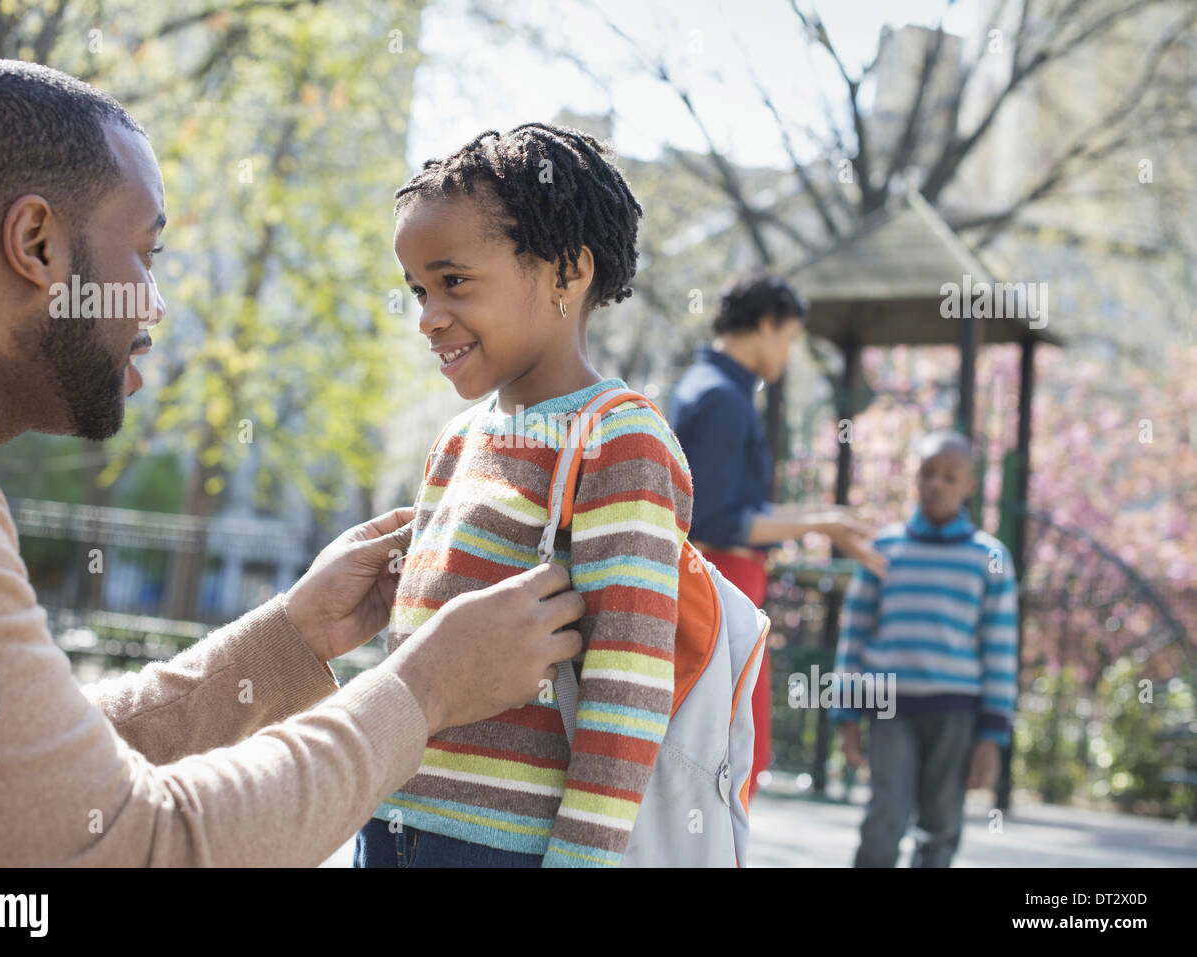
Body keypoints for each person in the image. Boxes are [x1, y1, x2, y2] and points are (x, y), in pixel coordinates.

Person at [0, 60, 584, 867]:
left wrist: (288, 640)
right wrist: (422, 690)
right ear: (36, 243)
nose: (153, 302)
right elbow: (122, 844)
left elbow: (32, 778)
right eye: (145, 254)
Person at [353, 124, 693, 868]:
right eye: (417, 289)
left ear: (567, 273)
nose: (427, 316)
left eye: (453, 282)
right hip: (390, 823)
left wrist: (580, 859)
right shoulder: (457, 438)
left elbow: (628, 684)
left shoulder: (618, 440)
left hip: (503, 850)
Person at [666, 271, 887, 799]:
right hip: (720, 585)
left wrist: (826, 516)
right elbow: (714, 521)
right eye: (788, 338)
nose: (788, 353)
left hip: (726, 584)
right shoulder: (722, 396)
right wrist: (821, 521)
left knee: (731, 753)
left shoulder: (713, 387)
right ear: (766, 325)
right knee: (737, 756)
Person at [832, 429, 1019, 867]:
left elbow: (1000, 649)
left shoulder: (989, 558)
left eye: (950, 477)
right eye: (928, 474)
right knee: (885, 816)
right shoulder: (884, 548)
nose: (937, 484)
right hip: (890, 707)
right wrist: (846, 712)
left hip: (956, 713)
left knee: (941, 823)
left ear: (970, 486)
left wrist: (993, 733)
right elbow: (854, 632)